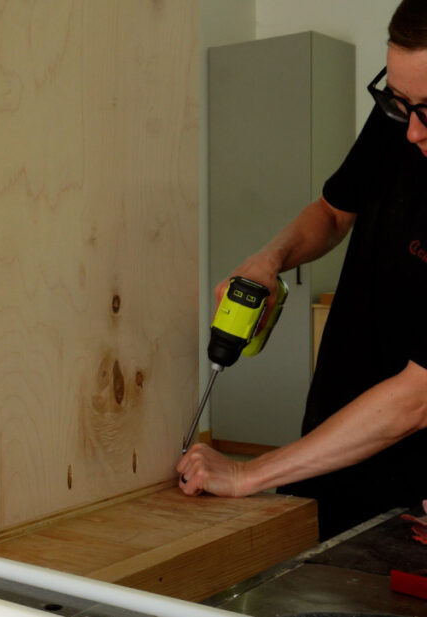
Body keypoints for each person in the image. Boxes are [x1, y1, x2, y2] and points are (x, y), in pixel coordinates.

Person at [178, 0, 427, 541]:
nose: (410, 131)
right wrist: (271, 258)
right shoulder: (401, 119)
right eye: (398, 100)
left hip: (409, 492)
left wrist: (248, 474)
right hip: (328, 447)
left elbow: (417, 399)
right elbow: (335, 211)